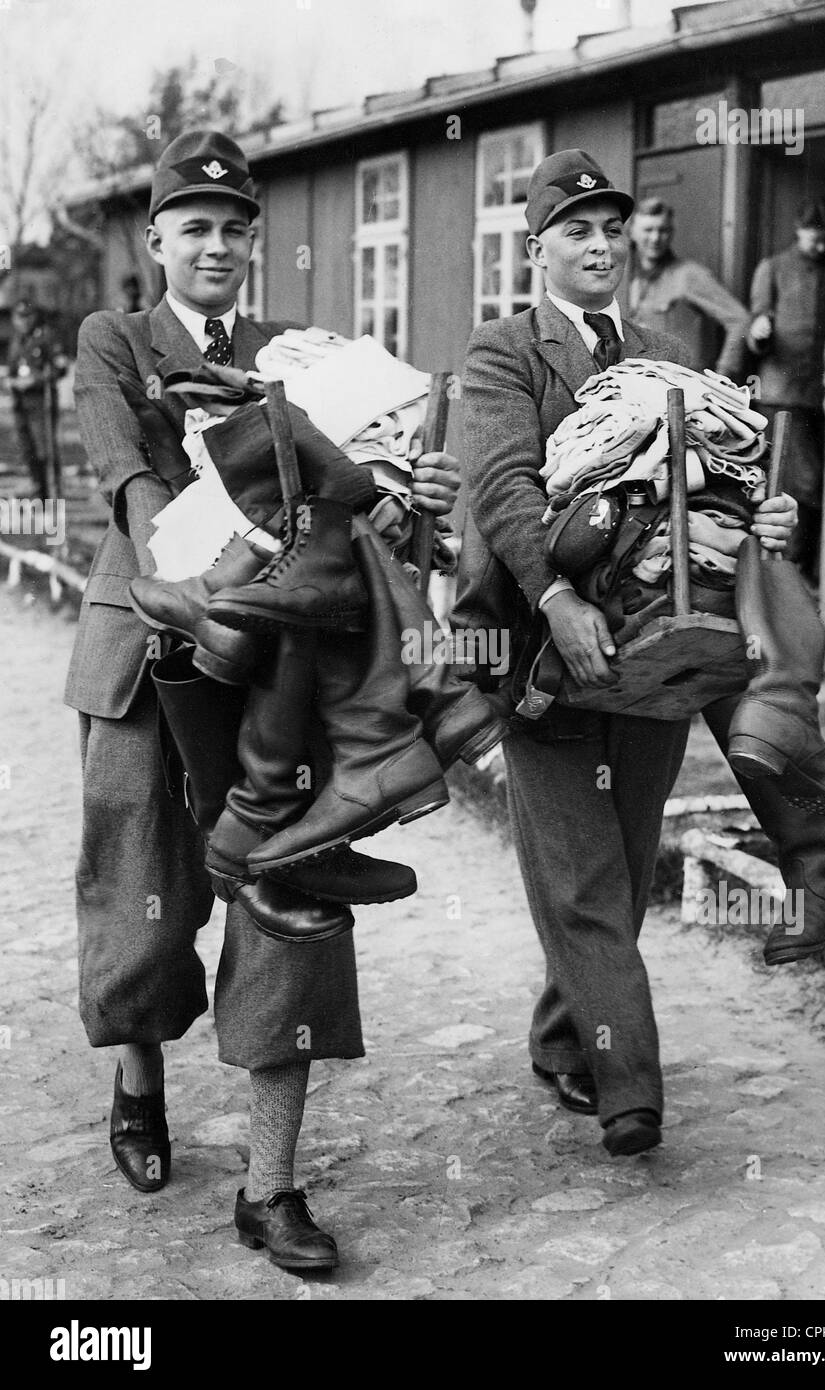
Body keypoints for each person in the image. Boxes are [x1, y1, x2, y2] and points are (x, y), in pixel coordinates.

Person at [64, 130, 460, 1274]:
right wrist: (183, 576)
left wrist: (409, 495)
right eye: (196, 227)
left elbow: (358, 499)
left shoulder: (297, 354)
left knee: (293, 900)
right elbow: (125, 469)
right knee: (140, 898)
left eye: (236, 229)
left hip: (286, 659)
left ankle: (270, 1185)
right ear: (156, 242)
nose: (219, 247)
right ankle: (140, 1080)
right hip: (149, 652)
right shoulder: (115, 342)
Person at [456, 150, 825, 1155]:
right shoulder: (504, 353)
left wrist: (765, 508)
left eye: (611, 229)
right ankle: (628, 1083)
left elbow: (717, 478)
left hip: (656, 658)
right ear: (537, 245)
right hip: (541, 658)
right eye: (577, 230)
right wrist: (552, 595)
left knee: (625, 874)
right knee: (584, 880)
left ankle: (565, 1036)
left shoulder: (666, 345)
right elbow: (504, 490)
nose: (600, 246)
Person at [747, 197, 825, 585]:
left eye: (824, 239)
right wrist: (760, 329)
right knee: (801, 482)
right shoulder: (774, 268)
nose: (818, 246)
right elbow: (756, 322)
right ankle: (790, 571)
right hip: (781, 393)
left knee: (816, 482)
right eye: (813, 238)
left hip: (823, 394)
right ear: (799, 231)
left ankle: (804, 570)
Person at [628, 198, 750, 378]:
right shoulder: (625, 277)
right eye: (648, 230)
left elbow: (740, 320)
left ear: (671, 233)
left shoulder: (689, 275)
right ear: (632, 233)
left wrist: (722, 376)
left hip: (683, 389)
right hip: (639, 386)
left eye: (663, 230)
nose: (655, 238)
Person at [7, 298, 67, 498]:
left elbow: (60, 367)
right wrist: (11, 381)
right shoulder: (17, 340)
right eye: (19, 317)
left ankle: (52, 493)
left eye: (27, 317)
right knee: (27, 450)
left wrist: (36, 380)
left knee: (45, 451)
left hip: (41, 402)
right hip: (20, 403)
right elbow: (13, 368)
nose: (23, 322)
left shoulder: (47, 337)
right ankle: (39, 491)